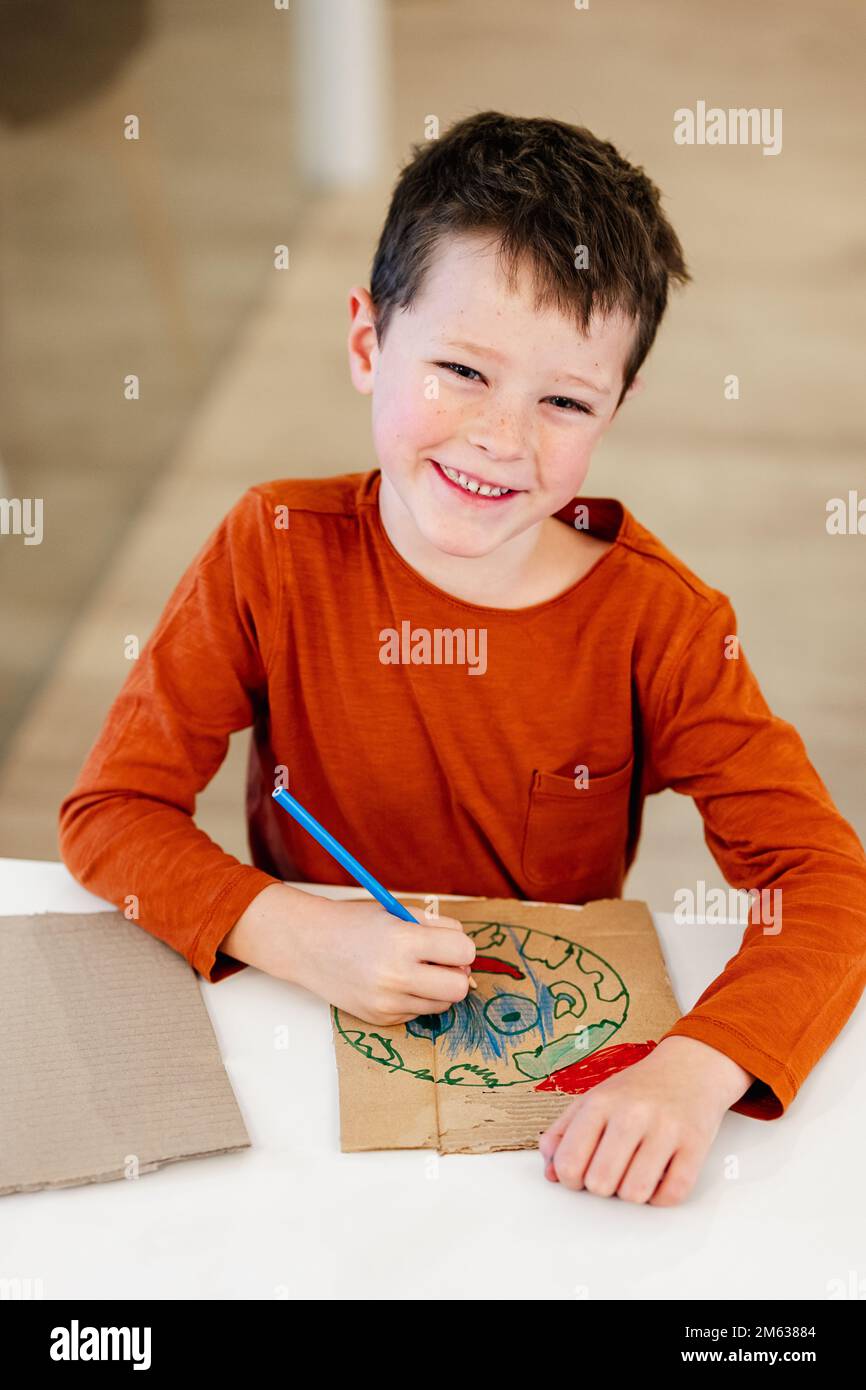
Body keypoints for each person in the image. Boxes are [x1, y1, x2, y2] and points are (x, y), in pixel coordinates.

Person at [59, 111, 866, 1206]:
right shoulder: (270, 550)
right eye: (459, 371)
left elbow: (822, 884)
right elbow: (110, 812)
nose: (500, 439)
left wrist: (693, 1066)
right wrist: (291, 928)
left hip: (540, 1122)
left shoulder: (661, 624)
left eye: (564, 402)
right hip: (299, 1048)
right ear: (364, 343)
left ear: (615, 410)